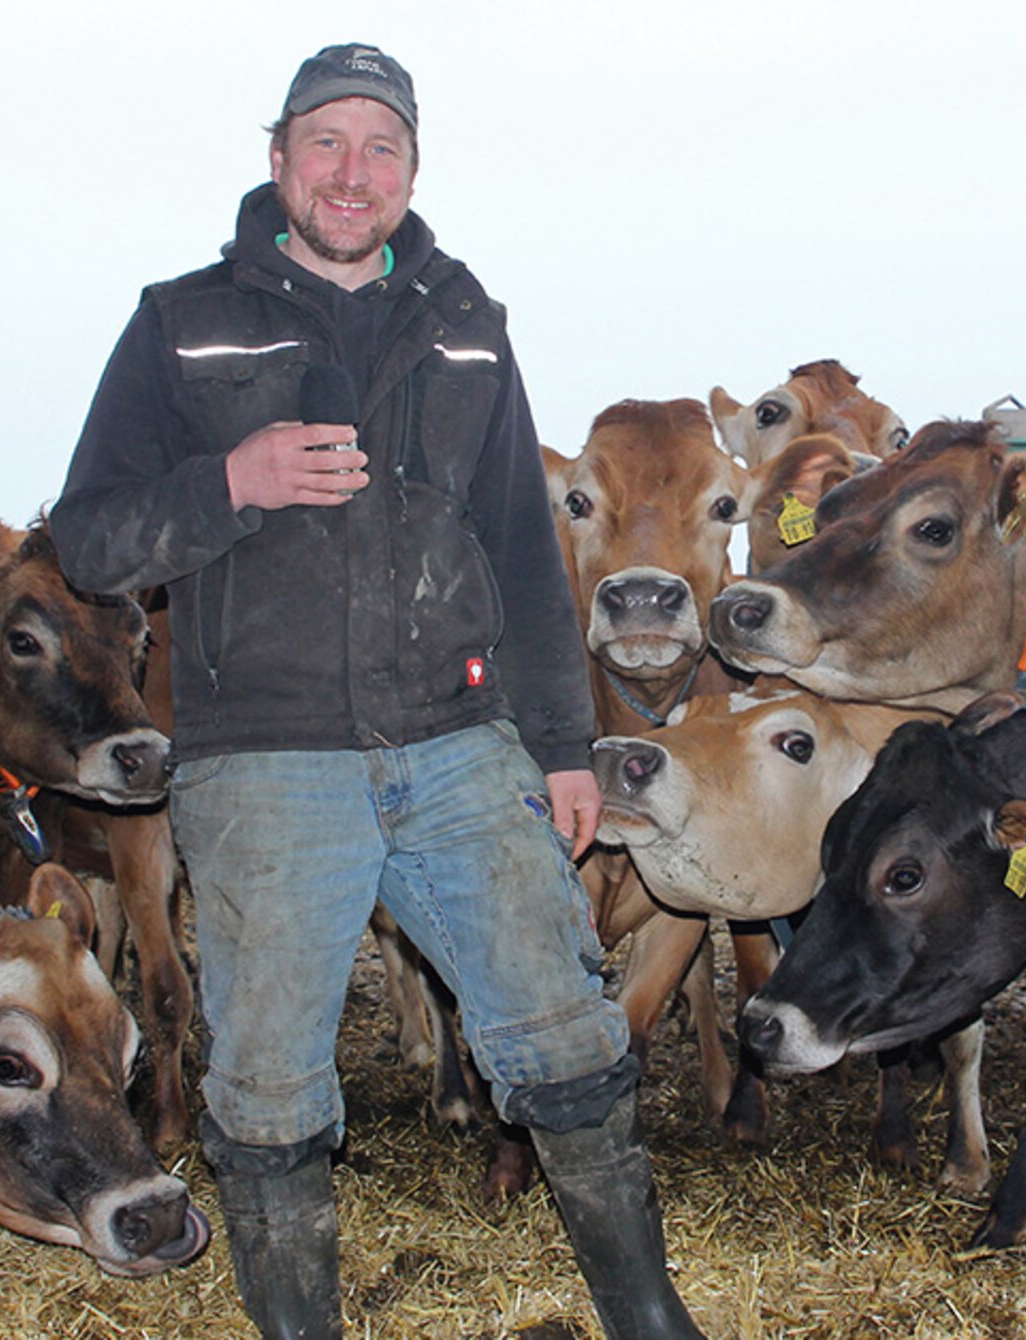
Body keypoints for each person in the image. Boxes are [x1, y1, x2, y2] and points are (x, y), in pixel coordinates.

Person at [51, 43, 705, 1340]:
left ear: (412, 167)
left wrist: (564, 749)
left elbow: (521, 546)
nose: (355, 173)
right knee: (273, 1086)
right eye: (328, 143)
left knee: (569, 1039)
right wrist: (231, 484)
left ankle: (649, 1319)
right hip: (269, 762)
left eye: (382, 147)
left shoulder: (466, 326)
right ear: (279, 157)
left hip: (457, 748)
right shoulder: (183, 323)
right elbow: (88, 540)